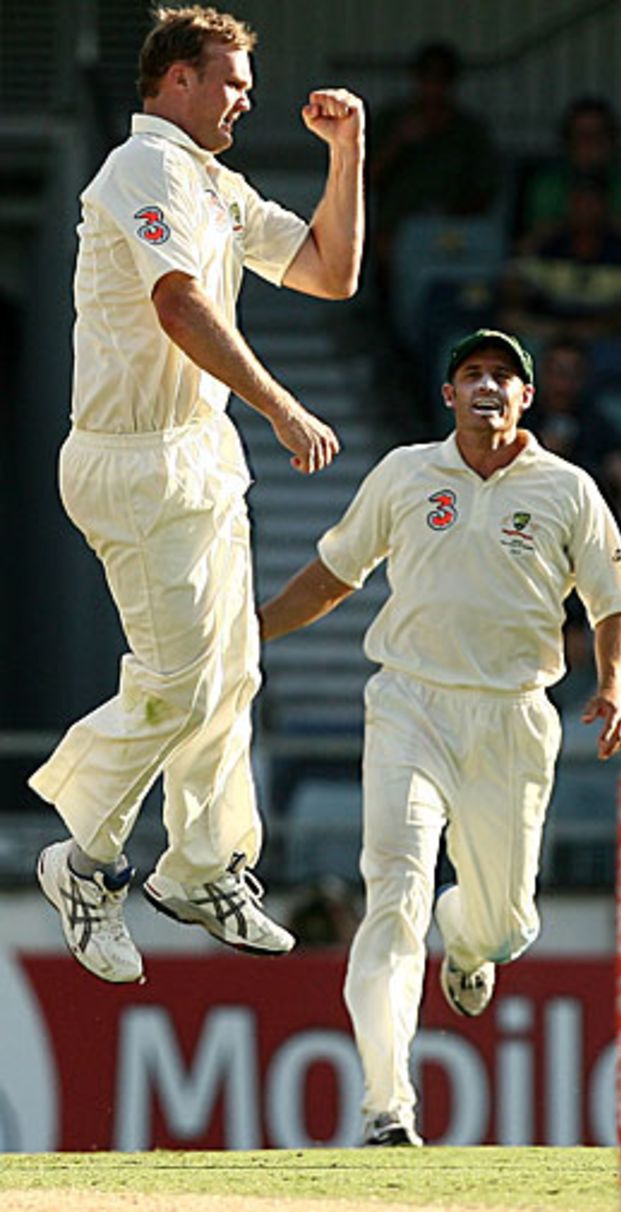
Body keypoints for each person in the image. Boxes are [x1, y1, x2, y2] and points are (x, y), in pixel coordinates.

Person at [30, 5, 364, 984]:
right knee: (177, 682)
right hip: (132, 457)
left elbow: (331, 272)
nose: (246, 100)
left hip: (199, 454)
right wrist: (282, 407)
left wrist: (348, 153)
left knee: (233, 672)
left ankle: (205, 867)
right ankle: (83, 862)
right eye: (231, 82)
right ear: (176, 78)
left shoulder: (214, 182)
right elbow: (178, 304)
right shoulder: (143, 168)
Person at [257, 329, 621, 1146]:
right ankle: (386, 1105)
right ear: (449, 394)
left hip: (513, 714)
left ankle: (469, 947)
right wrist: (252, 632)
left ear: (526, 398)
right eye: (472, 374)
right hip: (411, 705)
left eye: (503, 376)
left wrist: (612, 689)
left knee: (506, 927)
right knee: (393, 894)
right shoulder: (405, 473)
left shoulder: (568, 488)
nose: (487, 386)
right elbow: (335, 574)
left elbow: (614, 602)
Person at [367, 41, 499, 291]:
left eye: (441, 80)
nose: (433, 88)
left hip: (454, 227)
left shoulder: (469, 130)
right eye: (427, 79)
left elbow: (486, 188)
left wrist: (451, 214)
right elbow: (365, 180)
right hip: (398, 228)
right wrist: (399, 142)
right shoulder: (392, 120)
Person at [501, 173, 621, 342]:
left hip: (608, 333)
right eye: (579, 202)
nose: (585, 210)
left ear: (606, 208)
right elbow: (514, 290)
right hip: (553, 331)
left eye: (592, 203)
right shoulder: (547, 246)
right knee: (511, 320)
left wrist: (595, 328)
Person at [524, 335, 621, 537]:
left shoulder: (596, 423)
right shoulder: (520, 419)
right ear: (542, 373)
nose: (563, 384)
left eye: (573, 374)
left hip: (587, 522)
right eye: (558, 372)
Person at [519, 96, 621, 248]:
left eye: (598, 136)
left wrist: (578, 219)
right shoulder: (548, 184)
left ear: (613, 141)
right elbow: (538, 233)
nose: (590, 145)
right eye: (582, 136)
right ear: (567, 141)